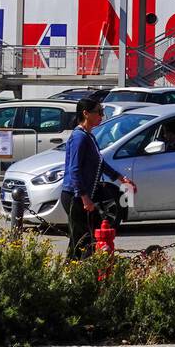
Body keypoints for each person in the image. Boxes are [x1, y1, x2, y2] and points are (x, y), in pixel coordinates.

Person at [61, 98, 136, 261]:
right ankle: (76, 274)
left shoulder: (89, 136)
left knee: (86, 237)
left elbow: (100, 164)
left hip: (84, 196)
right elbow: (74, 170)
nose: (102, 116)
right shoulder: (79, 137)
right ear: (86, 113)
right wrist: (84, 197)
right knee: (83, 239)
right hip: (75, 197)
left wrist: (120, 178)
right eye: (99, 112)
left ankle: (73, 272)